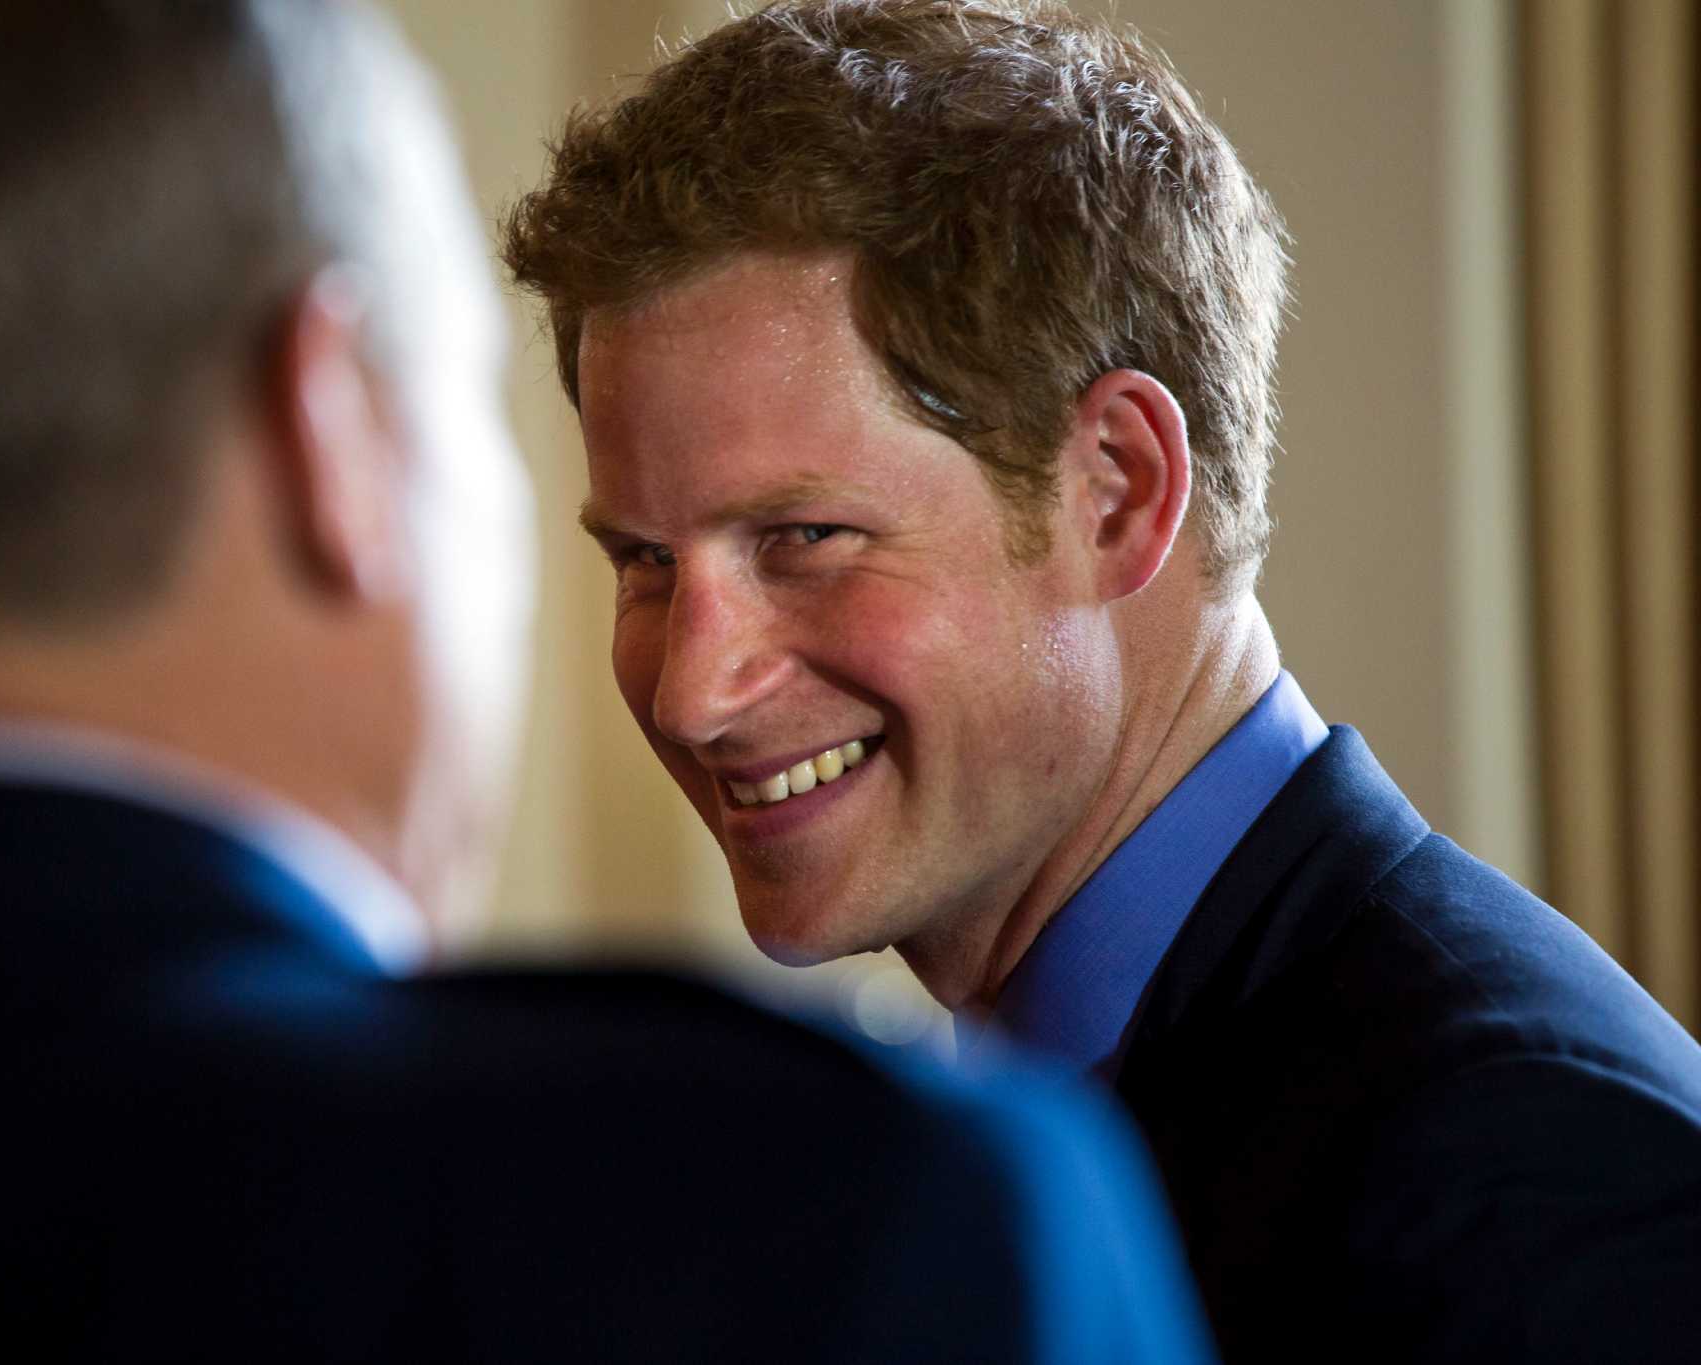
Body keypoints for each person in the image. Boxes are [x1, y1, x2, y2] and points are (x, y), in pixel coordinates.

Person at [0, 0, 1217, 1359]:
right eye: (467, 397)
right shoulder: (849, 1237)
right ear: (332, 425)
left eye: (803, 534)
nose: (688, 694)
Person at [503, 1, 1701, 1359]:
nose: (689, 693)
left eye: (801, 539)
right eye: (646, 560)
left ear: (1119, 490)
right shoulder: (988, 1134)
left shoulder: (1533, 1175)